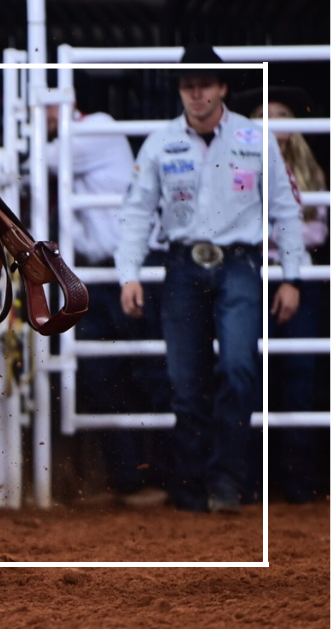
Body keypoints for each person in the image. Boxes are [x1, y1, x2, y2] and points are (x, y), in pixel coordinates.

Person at [115, 45, 305, 514]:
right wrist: (129, 274)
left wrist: (292, 275)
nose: (196, 94)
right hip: (182, 266)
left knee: (239, 370)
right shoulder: (161, 142)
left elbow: (284, 208)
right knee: (185, 380)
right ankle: (192, 484)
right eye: (188, 85)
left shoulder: (252, 137)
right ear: (182, 90)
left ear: (221, 88)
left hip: (240, 264)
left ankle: (225, 480)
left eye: (204, 84)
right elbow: (136, 211)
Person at [43, 104, 172, 505]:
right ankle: (129, 481)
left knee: (151, 373)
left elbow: (38, 162)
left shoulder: (97, 127)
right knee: (102, 375)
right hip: (94, 274)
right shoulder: (81, 136)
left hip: (132, 267)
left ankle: (171, 479)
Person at [232, 86, 329, 504]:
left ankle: (298, 479)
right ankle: (253, 477)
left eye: (282, 112)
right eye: (263, 113)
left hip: (298, 278)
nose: (273, 121)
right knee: (248, 373)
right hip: (253, 275)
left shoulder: (311, 174)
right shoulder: (236, 168)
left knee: (299, 374)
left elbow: (317, 230)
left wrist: (271, 238)